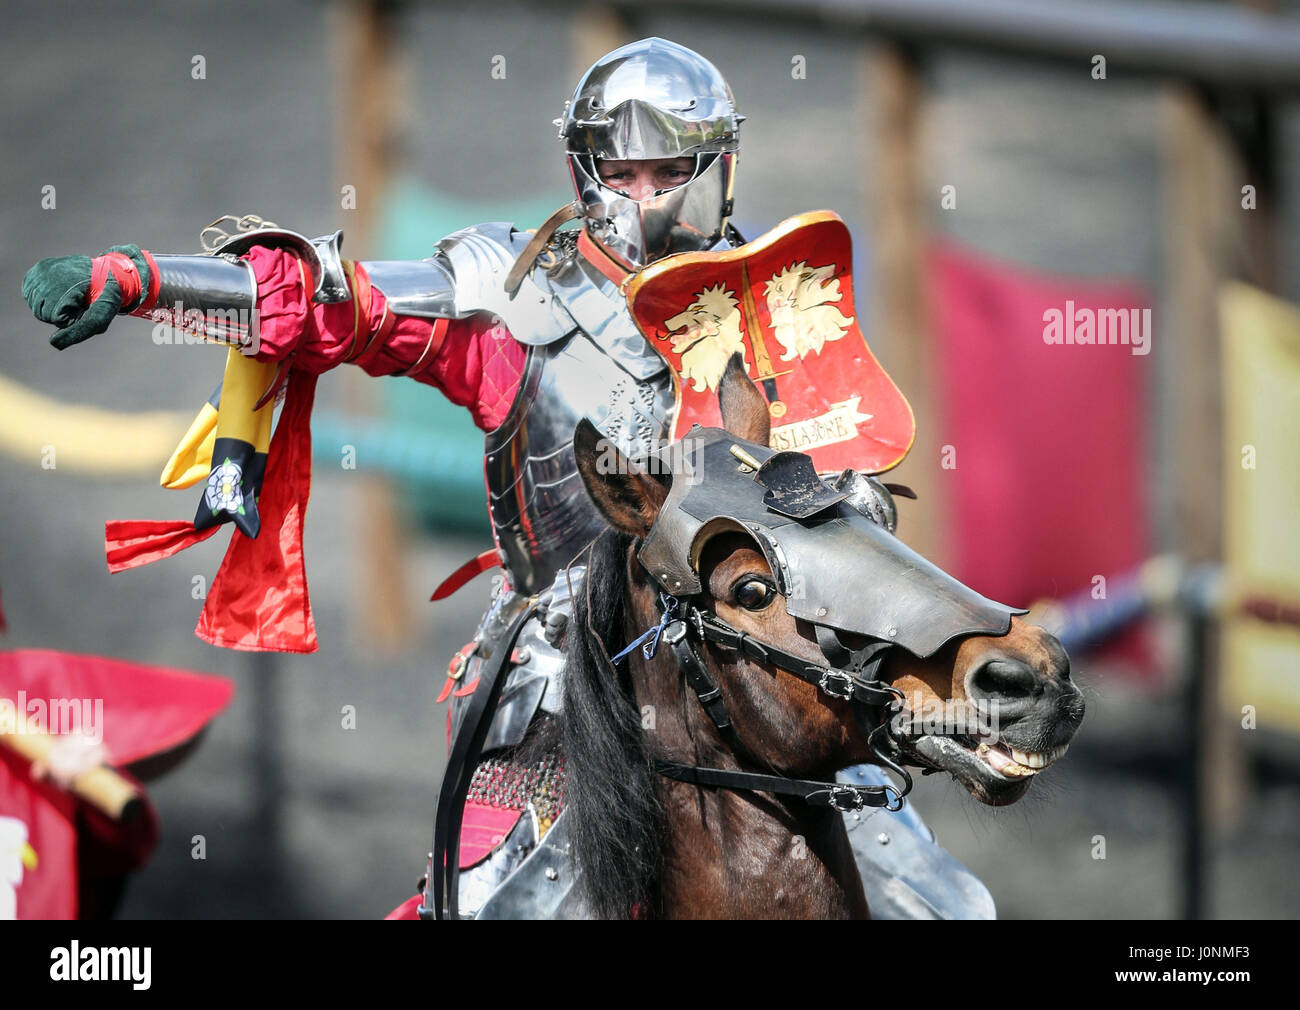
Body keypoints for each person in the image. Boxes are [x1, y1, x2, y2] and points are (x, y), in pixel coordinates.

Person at [22, 38, 992, 920]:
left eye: (669, 170)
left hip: (750, 664)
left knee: (939, 897)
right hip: (565, 679)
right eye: (623, 169)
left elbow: (834, 501)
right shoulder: (514, 294)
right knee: (489, 903)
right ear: (585, 169)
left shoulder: (772, 302)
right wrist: (145, 278)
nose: (645, 194)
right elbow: (335, 310)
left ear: (716, 167)